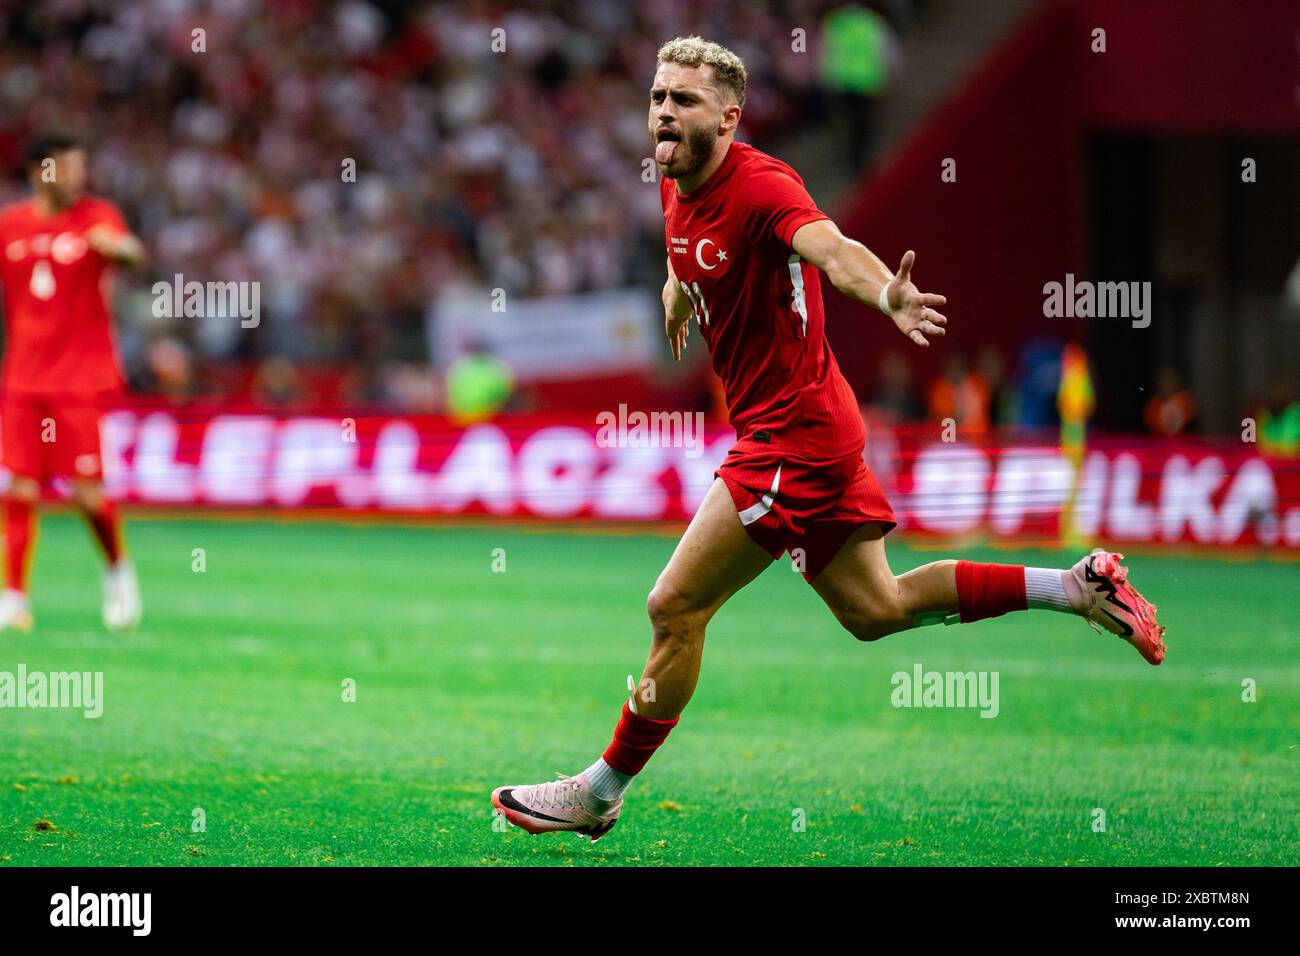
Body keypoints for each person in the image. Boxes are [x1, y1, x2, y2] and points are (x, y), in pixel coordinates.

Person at [491, 37, 1165, 842]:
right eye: (659, 97)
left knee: (674, 605)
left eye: (685, 101)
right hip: (810, 427)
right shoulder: (675, 177)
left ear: (730, 118)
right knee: (875, 610)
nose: (664, 113)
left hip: (791, 439)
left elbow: (832, 252)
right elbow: (690, 258)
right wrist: (677, 298)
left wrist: (886, 292)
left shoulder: (764, 185)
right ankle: (1076, 587)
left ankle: (599, 791)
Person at [0, 132, 145, 633]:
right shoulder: (10, 227)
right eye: (68, 167)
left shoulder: (95, 217)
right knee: (18, 487)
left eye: (81, 167)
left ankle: (117, 569)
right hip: (22, 378)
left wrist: (118, 249)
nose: (79, 177)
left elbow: (131, 253)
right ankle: (14, 597)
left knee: (85, 493)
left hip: (78, 379)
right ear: (41, 171)